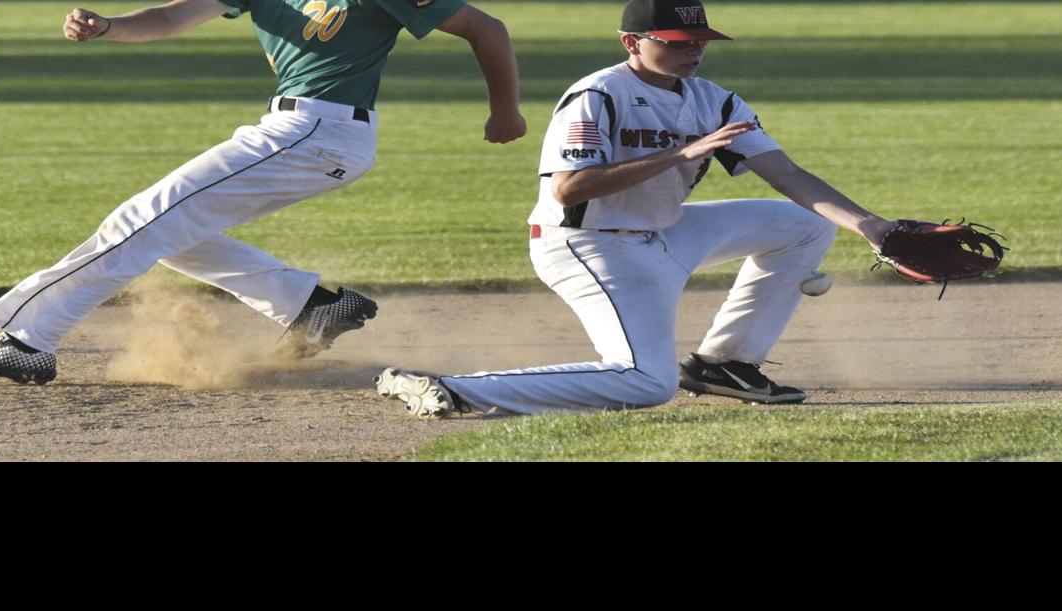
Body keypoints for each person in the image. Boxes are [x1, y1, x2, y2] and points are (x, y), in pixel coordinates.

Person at [0, 0, 525, 384]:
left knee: (140, 221)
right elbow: (172, 17)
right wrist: (108, 27)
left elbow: (484, 27)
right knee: (169, 231)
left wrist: (506, 111)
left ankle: (28, 339)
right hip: (295, 130)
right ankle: (310, 305)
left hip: (319, 131)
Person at [374, 0, 897, 418]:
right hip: (587, 244)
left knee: (804, 225)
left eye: (699, 40)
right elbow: (569, 190)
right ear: (631, 42)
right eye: (676, 42)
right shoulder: (597, 95)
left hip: (664, 233)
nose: (693, 50)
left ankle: (724, 364)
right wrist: (680, 154)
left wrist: (874, 228)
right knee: (648, 381)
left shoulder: (715, 101)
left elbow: (788, 175)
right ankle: (453, 389)